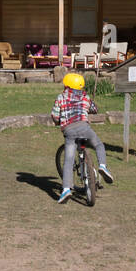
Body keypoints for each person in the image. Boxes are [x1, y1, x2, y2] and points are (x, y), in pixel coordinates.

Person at [52, 72, 112, 203]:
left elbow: (55, 116)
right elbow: (95, 109)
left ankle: (66, 189)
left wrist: (58, 121)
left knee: (68, 160)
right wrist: (90, 106)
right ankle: (102, 166)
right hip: (84, 128)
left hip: (69, 130)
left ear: (67, 86)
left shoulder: (61, 97)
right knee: (98, 145)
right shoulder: (85, 97)